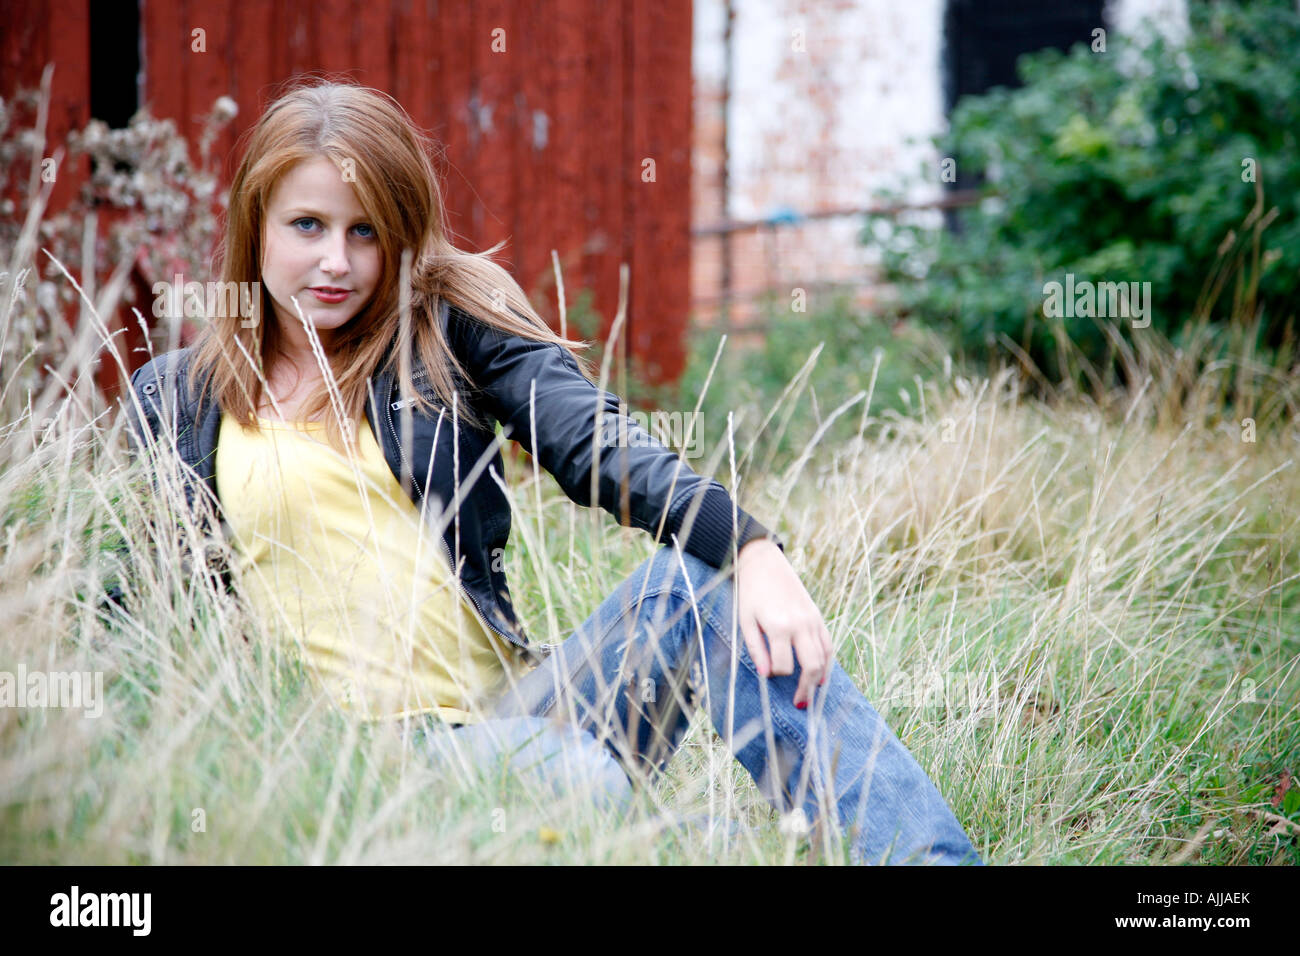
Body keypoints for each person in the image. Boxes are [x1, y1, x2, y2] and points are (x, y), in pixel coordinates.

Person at [119, 79, 983, 866]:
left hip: (511, 718)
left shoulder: (441, 329)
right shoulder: (178, 400)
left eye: (365, 232)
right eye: (307, 226)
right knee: (584, 786)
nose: (337, 262)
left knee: (691, 591)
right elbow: (139, 624)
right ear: (255, 223)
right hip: (349, 762)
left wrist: (749, 545)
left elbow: (592, 443)